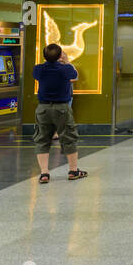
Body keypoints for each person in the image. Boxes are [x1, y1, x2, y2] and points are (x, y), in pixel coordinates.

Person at [32, 42, 84, 184]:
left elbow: (38, 73)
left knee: (42, 139)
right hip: (61, 107)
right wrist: (66, 61)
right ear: (61, 55)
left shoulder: (38, 69)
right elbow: (74, 74)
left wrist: (49, 59)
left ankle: (44, 173)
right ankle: (73, 170)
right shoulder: (65, 69)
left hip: (43, 108)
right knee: (69, 137)